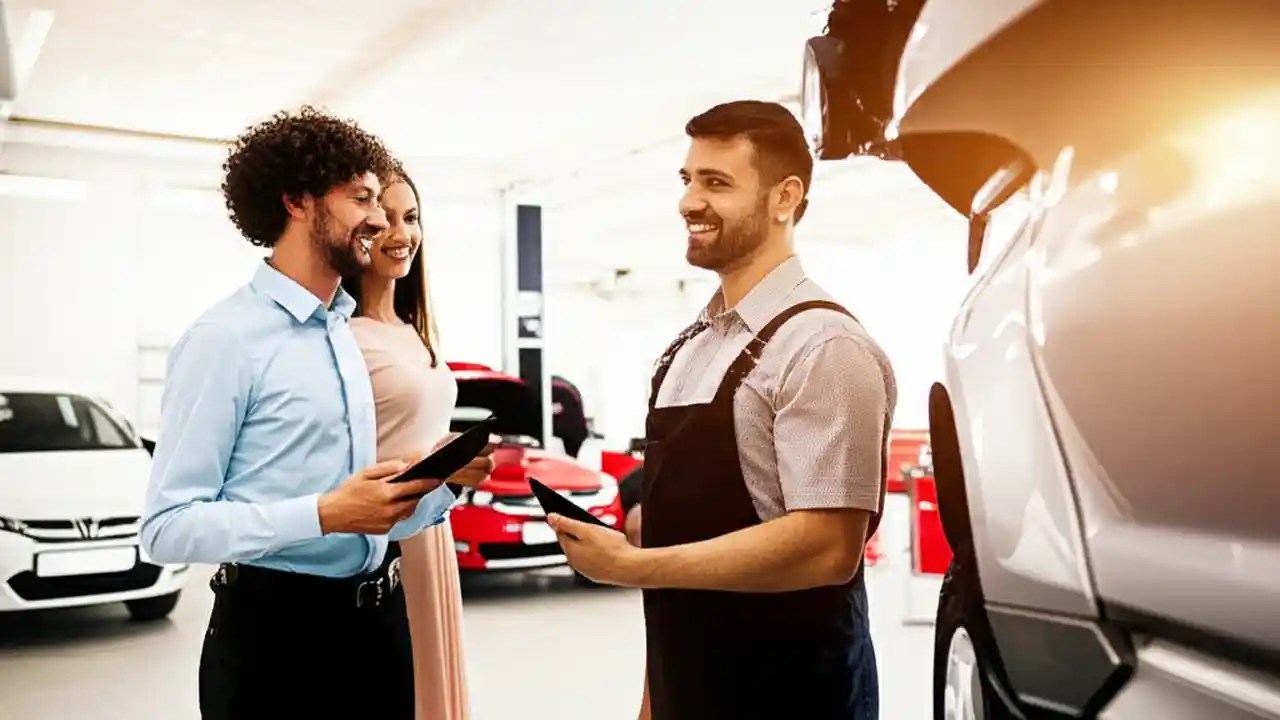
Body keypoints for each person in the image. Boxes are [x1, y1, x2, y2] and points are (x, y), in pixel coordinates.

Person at [139, 107, 492, 720]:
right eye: (362, 199)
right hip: (275, 642)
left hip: (378, 624)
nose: (380, 221)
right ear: (298, 201)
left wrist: (432, 487)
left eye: (383, 202)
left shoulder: (338, 332)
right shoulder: (225, 339)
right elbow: (167, 528)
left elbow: (363, 510)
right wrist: (326, 513)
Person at [549, 100, 897, 720]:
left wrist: (635, 566)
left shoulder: (823, 346)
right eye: (687, 180)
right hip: (691, 681)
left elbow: (827, 546)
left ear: (784, 197)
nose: (689, 202)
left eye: (716, 182)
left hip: (793, 691)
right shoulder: (689, 347)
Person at [341, 170, 473, 720]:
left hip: (433, 531)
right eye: (382, 220)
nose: (401, 233)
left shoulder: (415, 330)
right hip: (386, 537)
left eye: (411, 217)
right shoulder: (341, 336)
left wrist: (452, 456)